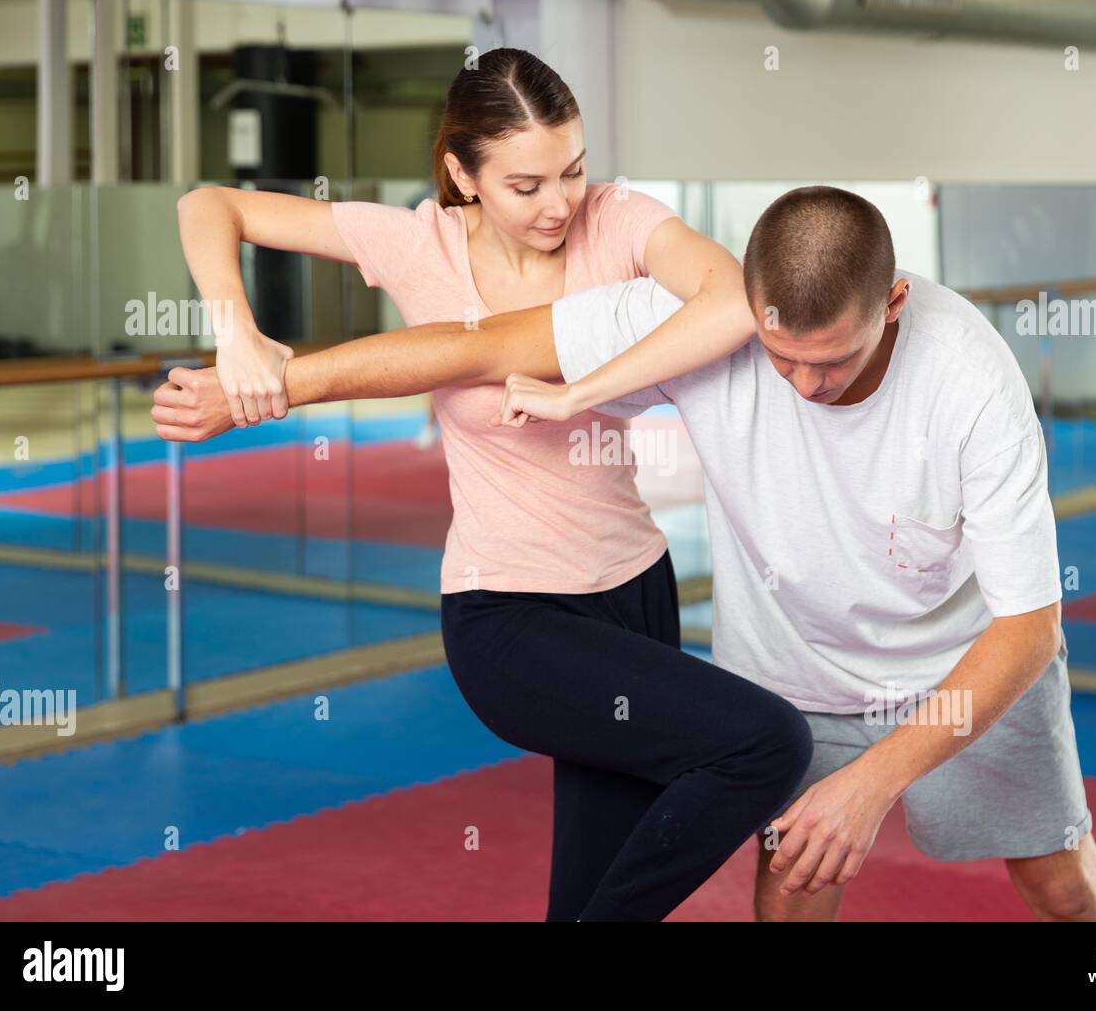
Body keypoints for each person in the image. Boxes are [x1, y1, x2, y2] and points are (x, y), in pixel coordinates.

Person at [158, 185, 1096, 922]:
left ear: (896, 302)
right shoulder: (714, 329)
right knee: (792, 873)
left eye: (830, 359)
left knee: (1058, 883)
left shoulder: (971, 378)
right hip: (797, 662)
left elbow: (1029, 625)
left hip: (962, 668)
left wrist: (875, 782)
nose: (803, 382)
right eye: (783, 354)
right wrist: (280, 385)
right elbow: (479, 347)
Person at [164, 46, 813, 923]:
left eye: (573, 171)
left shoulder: (618, 221)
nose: (559, 205)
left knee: (592, 884)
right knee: (767, 745)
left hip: (635, 596)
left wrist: (581, 391)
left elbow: (735, 298)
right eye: (527, 185)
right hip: (509, 612)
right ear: (462, 175)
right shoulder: (412, 242)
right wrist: (235, 331)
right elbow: (209, 204)